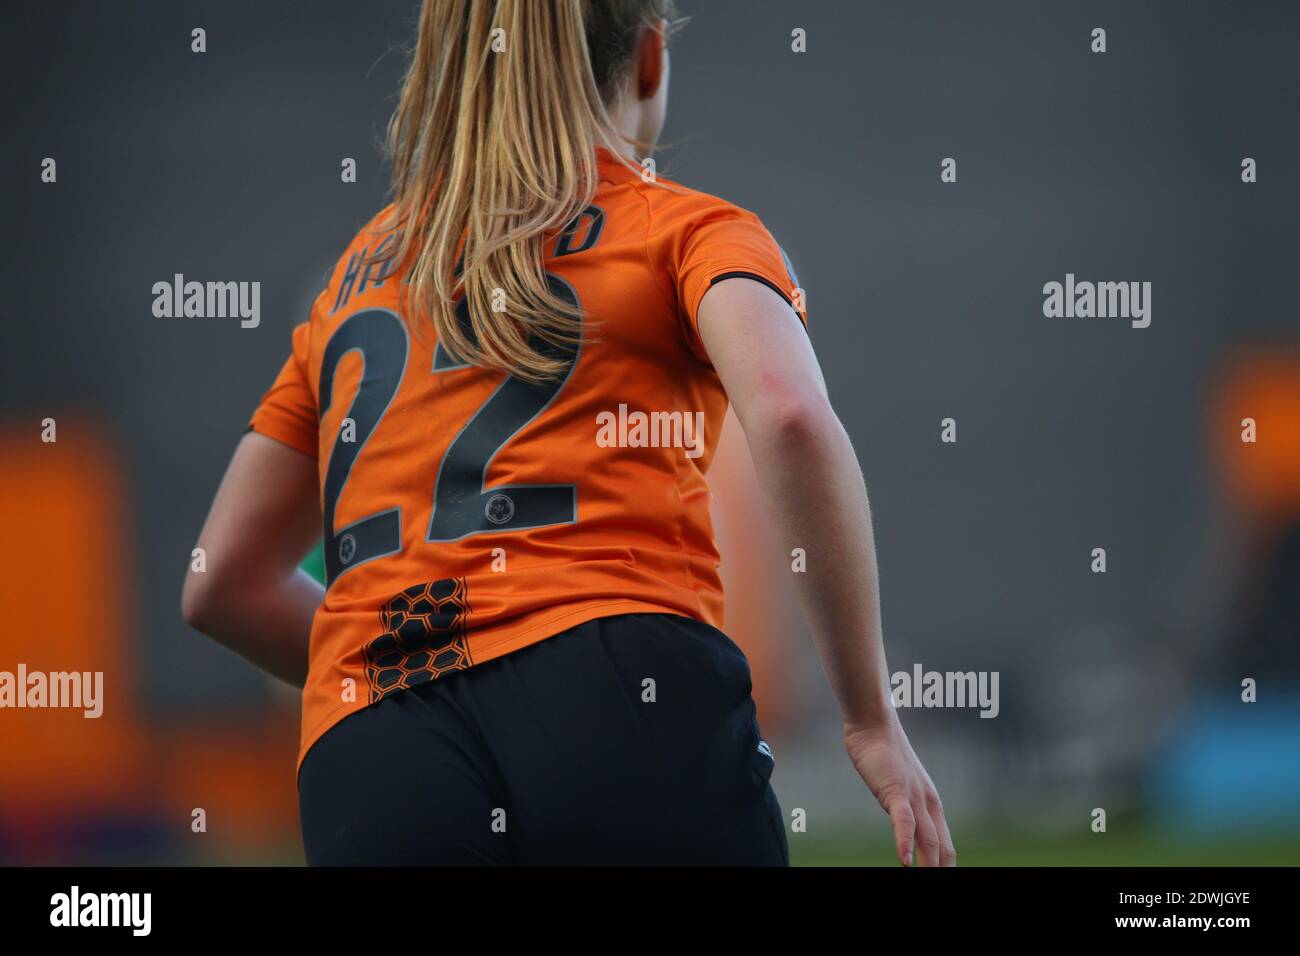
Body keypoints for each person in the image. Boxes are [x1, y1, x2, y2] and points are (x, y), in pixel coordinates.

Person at [182, 0, 955, 867]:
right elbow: (791, 413)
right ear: (649, 59)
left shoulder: (350, 287)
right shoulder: (685, 227)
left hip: (371, 748)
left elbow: (219, 585)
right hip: (623, 683)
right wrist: (868, 719)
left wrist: (380, 666)